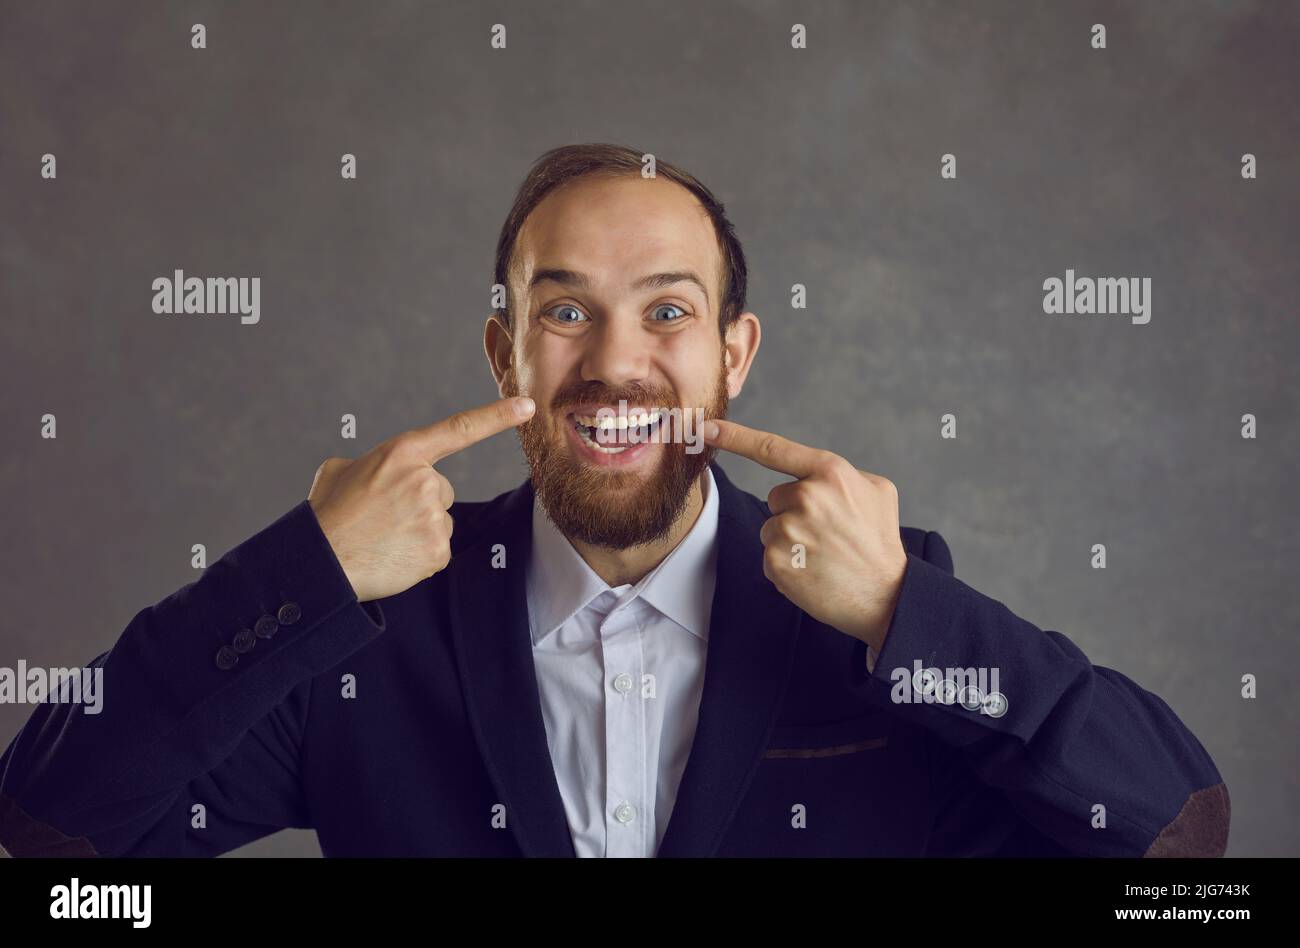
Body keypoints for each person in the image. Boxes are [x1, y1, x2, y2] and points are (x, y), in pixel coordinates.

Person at [0, 143, 1229, 857]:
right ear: (507, 357)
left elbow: (1181, 844)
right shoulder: (362, 634)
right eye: (565, 309)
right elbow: (52, 839)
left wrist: (909, 612)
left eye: (668, 310)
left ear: (732, 357)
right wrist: (297, 576)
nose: (613, 363)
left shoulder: (874, 611)